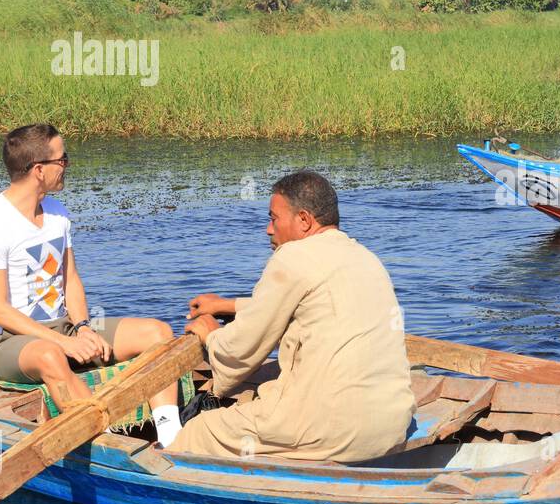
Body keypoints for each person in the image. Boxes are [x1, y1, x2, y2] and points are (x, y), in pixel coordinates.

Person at [176, 170, 415, 463]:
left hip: (334, 430)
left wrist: (210, 333)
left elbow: (240, 349)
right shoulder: (366, 258)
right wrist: (227, 305)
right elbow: (299, 303)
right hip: (392, 426)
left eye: (273, 218)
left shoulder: (292, 257)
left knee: (200, 430)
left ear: (303, 220)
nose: (268, 229)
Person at [0, 124, 182, 444]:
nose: (67, 165)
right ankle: (107, 444)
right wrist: (64, 345)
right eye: (62, 159)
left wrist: (82, 327)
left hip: (65, 329)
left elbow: (70, 279)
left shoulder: (57, 213)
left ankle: (171, 438)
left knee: (159, 333)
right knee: (50, 356)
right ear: (39, 170)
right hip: (10, 343)